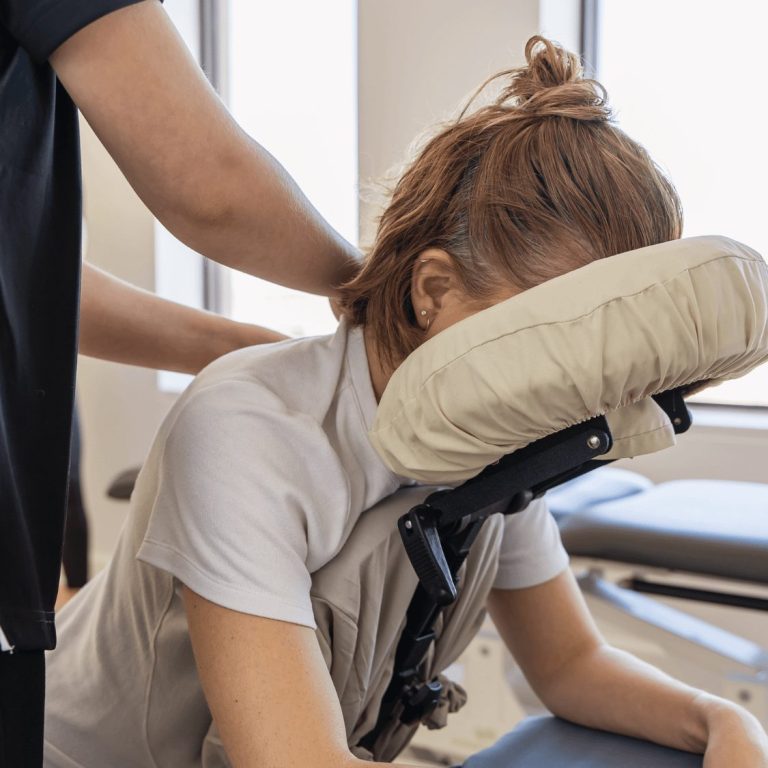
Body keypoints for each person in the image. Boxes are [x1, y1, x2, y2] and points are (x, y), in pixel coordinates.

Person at [43, 37, 768, 768]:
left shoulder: (504, 425)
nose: (571, 391)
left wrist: (721, 724)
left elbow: (570, 665)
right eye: (548, 340)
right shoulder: (248, 432)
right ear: (432, 289)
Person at [0, 0, 358, 764]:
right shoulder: (233, 429)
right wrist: (374, 293)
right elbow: (209, 183)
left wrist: (249, 345)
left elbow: (28, 268)